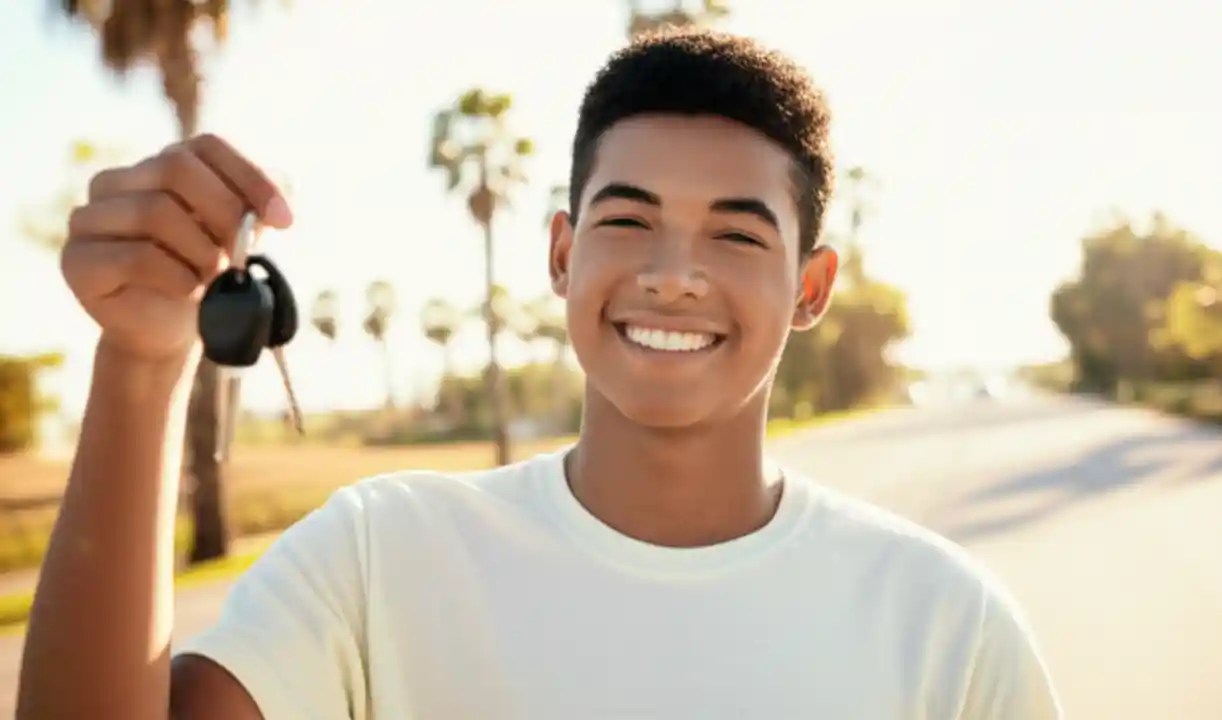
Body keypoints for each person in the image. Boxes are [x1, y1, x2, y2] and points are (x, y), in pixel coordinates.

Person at [17, 28, 1062, 719]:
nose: (671, 275)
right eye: (627, 220)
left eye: (736, 237)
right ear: (561, 252)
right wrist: (141, 365)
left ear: (811, 287)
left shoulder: (945, 625)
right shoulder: (382, 554)